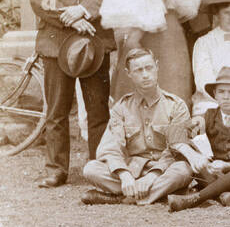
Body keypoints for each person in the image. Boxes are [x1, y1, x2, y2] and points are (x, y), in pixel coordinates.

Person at [29, 0, 115, 188]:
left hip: (95, 40)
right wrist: (70, 19)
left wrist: (83, 10)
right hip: (56, 40)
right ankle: (56, 169)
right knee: (57, 109)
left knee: (98, 108)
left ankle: (100, 166)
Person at [82, 48, 197, 205]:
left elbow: (177, 150)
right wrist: (124, 175)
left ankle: (122, 198)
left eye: (149, 68)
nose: (145, 74)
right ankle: (154, 194)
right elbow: (111, 148)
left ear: (157, 67)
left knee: (183, 170)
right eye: (138, 70)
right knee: (91, 169)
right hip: (132, 170)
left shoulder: (176, 106)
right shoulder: (121, 107)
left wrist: (153, 175)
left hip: (162, 170)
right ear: (128, 73)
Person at [168, 67, 230, 211]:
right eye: (221, 92)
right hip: (215, 173)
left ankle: (196, 198)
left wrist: (227, 165)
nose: (226, 97)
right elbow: (174, 132)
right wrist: (193, 123)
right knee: (194, 160)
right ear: (215, 94)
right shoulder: (208, 115)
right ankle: (225, 194)